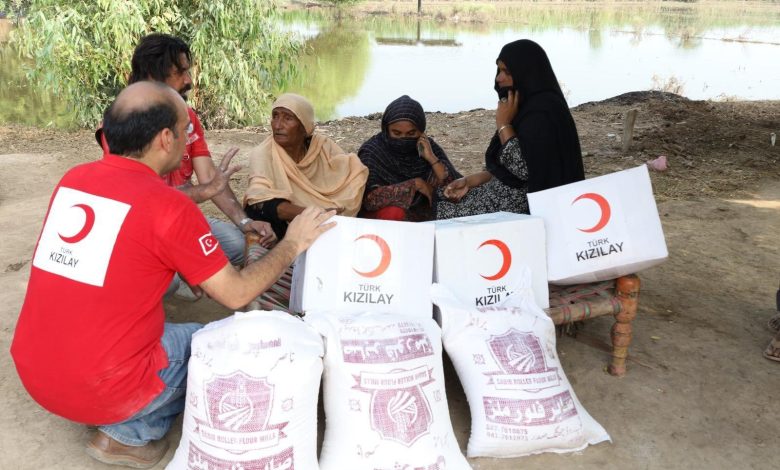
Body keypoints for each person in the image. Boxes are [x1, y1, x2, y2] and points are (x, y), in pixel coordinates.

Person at [11, 82, 335, 469]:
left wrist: (201, 198)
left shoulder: (74, 180)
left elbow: (136, 225)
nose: (188, 140)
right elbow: (235, 293)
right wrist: (293, 243)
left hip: (37, 375)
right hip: (100, 388)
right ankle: (129, 434)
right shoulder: (167, 208)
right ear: (166, 138)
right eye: (186, 131)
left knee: (146, 325)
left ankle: (113, 406)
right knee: (213, 346)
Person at [95, 33, 275, 273]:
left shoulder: (186, 117)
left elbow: (208, 175)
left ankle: (179, 266)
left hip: (178, 221)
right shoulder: (123, 122)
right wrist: (204, 191)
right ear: (152, 75)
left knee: (237, 243)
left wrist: (245, 222)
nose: (189, 80)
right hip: (141, 229)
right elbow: (145, 200)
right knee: (168, 276)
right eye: (180, 72)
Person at [436, 39, 585, 219]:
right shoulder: (524, 107)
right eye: (499, 70)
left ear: (526, 73)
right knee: (436, 197)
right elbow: (506, 170)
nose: (499, 78)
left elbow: (523, 169)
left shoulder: (543, 114)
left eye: (507, 71)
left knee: (433, 214)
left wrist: (504, 125)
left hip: (524, 209)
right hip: (501, 195)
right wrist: (469, 181)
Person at [245, 93, 368, 238]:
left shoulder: (322, 146)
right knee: (259, 209)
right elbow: (258, 197)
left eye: (288, 118)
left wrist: (332, 212)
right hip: (284, 226)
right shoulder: (263, 153)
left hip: (328, 217)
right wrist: (317, 214)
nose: (277, 125)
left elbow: (352, 173)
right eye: (275, 116)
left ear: (305, 127)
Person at [358, 95, 461, 221]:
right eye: (396, 133)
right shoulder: (372, 151)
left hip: (426, 214)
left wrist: (431, 158)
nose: (403, 139)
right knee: (394, 213)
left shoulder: (426, 146)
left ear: (421, 131)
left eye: (411, 133)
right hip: (385, 220)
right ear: (386, 130)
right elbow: (369, 200)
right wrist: (414, 185)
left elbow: (453, 187)